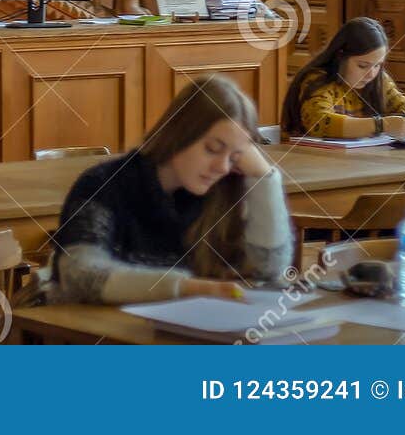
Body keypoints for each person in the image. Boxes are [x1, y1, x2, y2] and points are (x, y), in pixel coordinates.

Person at [44, 73, 293, 304]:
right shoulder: (104, 184)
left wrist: (264, 178)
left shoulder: (222, 190)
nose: (222, 167)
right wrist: (187, 288)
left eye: (235, 157)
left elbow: (269, 270)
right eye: (213, 149)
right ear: (179, 134)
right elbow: (82, 276)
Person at [280, 16, 405, 139]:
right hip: (310, 164)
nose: (371, 74)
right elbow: (320, 123)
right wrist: (381, 125)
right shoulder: (317, 80)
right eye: (362, 66)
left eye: (377, 65)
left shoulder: (380, 80)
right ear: (340, 56)